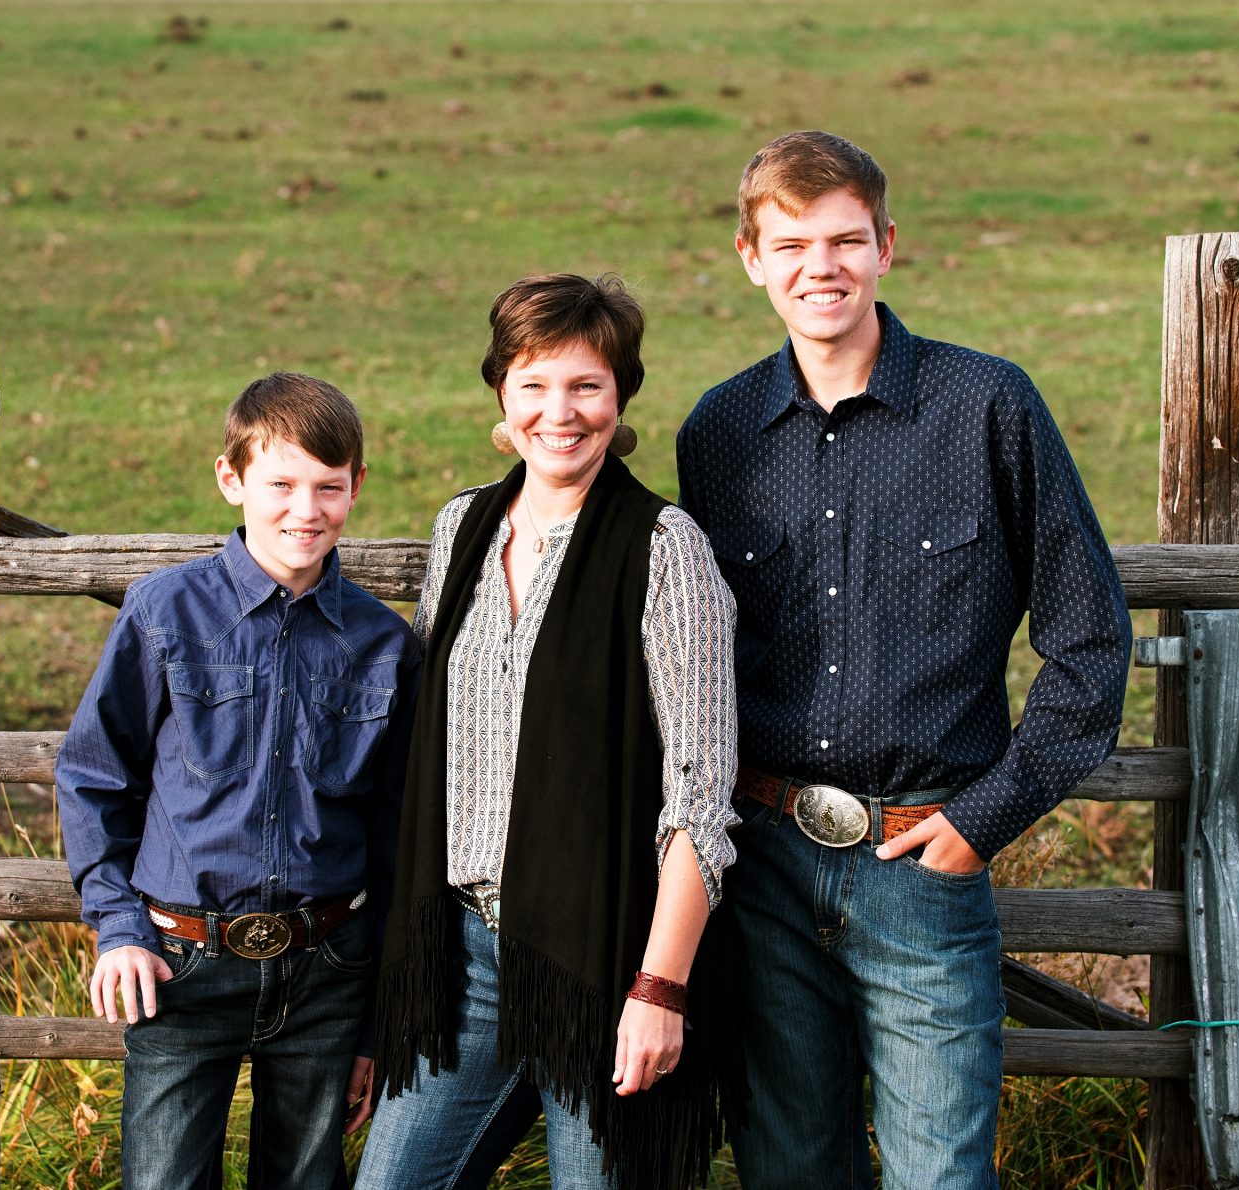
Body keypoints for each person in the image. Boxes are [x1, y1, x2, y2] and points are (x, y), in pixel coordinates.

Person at [676, 132, 1133, 1188]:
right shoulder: (720, 431)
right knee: (789, 1166)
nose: (819, 266)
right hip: (766, 865)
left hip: (923, 859)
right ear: (750, 256)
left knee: (940, 1171)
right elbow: (693, 652)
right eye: (790, 243)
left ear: (888, 245)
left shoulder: (988, 407)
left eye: (844, 239)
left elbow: (1088, 635)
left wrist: (983, 821)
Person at [358, 273, 742, 1190]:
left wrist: (659, 990)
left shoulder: (665, 548)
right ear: (501, 392)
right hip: (467, 952)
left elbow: (700, 795)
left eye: (586, 387)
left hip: (607, 957)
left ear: (621, 396)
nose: (559, 413)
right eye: (534, 385)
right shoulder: (463, 527)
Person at [55, 372, 421, 1190]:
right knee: (165, 1181)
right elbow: (92, 775)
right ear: (232, 479)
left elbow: (397, 833)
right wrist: (116, 926)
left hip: (328, 967)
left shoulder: (383, 644)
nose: (306, 510)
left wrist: (371, 1025)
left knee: (304, 1179)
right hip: (179, 965)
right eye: (281, 485)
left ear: (357, 486)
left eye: (330, 487)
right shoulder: (163, 612)